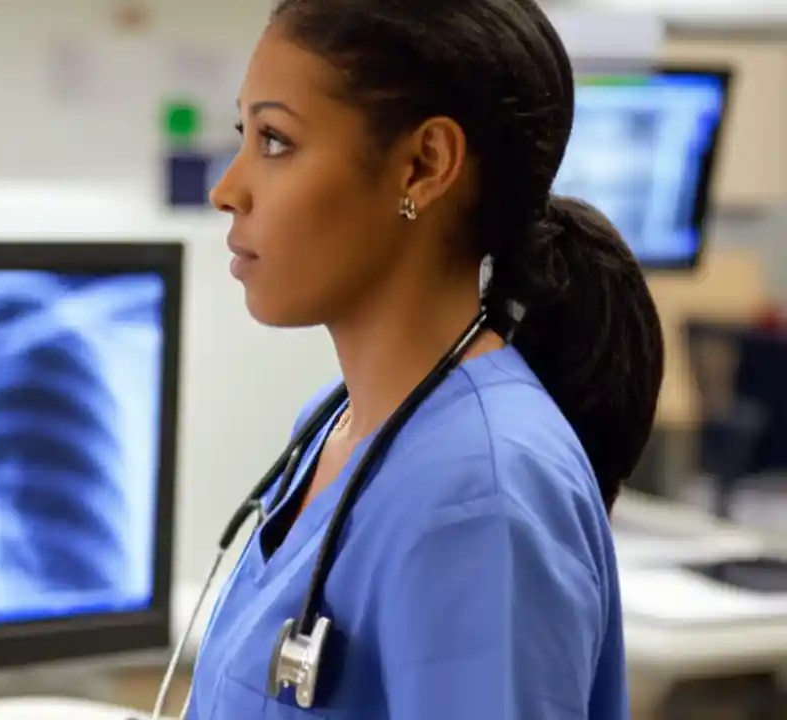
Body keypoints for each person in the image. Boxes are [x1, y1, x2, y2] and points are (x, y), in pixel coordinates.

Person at [191, 0, 664, 717]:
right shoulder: (331, 427)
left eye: (276, 141)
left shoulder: (481, 494)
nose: (227, 191)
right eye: (243, 134)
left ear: (423, 165)